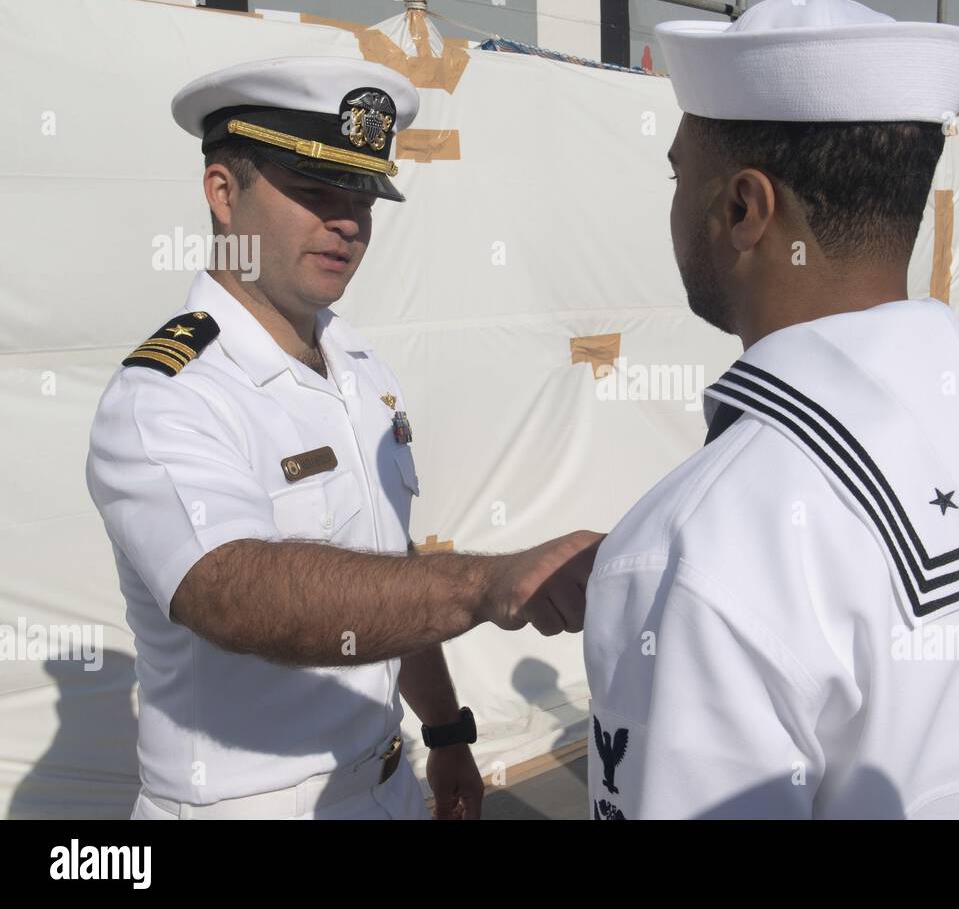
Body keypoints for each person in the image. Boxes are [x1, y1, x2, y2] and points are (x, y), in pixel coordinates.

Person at [582, 0, 959, 820]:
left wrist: (650, 591)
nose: (676, 202)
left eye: (682, 175)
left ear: (743, 209)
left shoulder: (696, 549)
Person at [85, 56, 601, 820]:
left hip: (387, 782)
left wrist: (447, 728)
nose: (349, 222)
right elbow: (231, 593)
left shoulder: (356, 363)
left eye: (363, 194)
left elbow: (385, 567)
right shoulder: (165, 394)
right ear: (224, 193)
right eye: (316, 191)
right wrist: (486, 584)